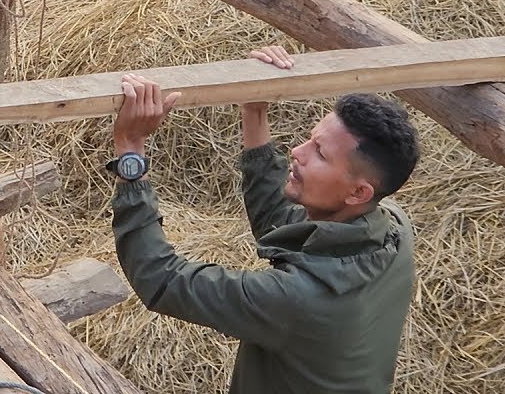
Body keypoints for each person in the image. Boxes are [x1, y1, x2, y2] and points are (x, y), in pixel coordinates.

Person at [107, 46, 420, 394]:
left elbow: (163, 281)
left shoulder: (297, 299)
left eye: (319, 153)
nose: (297, 152)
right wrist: (254, 108)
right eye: (310, 139)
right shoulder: (394, 228)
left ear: (359, 192)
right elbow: (282, 227)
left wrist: (131, 151)